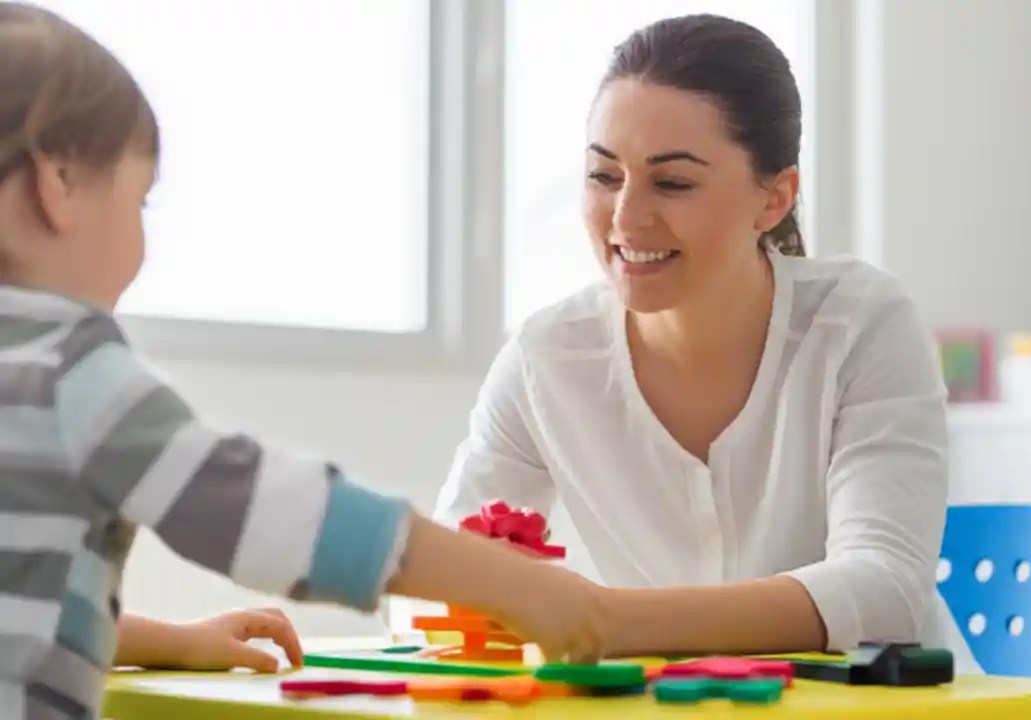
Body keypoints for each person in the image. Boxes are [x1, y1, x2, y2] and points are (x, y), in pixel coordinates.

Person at [0, 5, 606, 718]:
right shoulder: (66, 372)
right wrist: (518, 587)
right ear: (58, 183)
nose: (142, 240)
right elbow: (262, 509)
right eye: (141, 203)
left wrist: (175, 642)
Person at [436, 13, 949, 657]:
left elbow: (884, 591)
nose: (627, 219)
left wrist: (604, 621)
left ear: (775, 198)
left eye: (673, 183)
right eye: (604, 176)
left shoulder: (860, 325)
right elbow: (435, 587)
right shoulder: (547, 359)